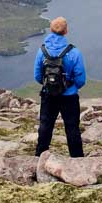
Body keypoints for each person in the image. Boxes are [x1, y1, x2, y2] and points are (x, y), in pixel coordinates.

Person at [33, 17, 87, 157]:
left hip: (48, 95)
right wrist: (70, 87)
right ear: (66, 31)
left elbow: (38, 76)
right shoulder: (74, 52)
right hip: (69, 96)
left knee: (45, 126)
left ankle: (40, 156)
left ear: (51, 30)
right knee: (72, 128)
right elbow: (80, 78)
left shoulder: (42, 51)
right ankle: (77, 160)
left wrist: (49, 85)